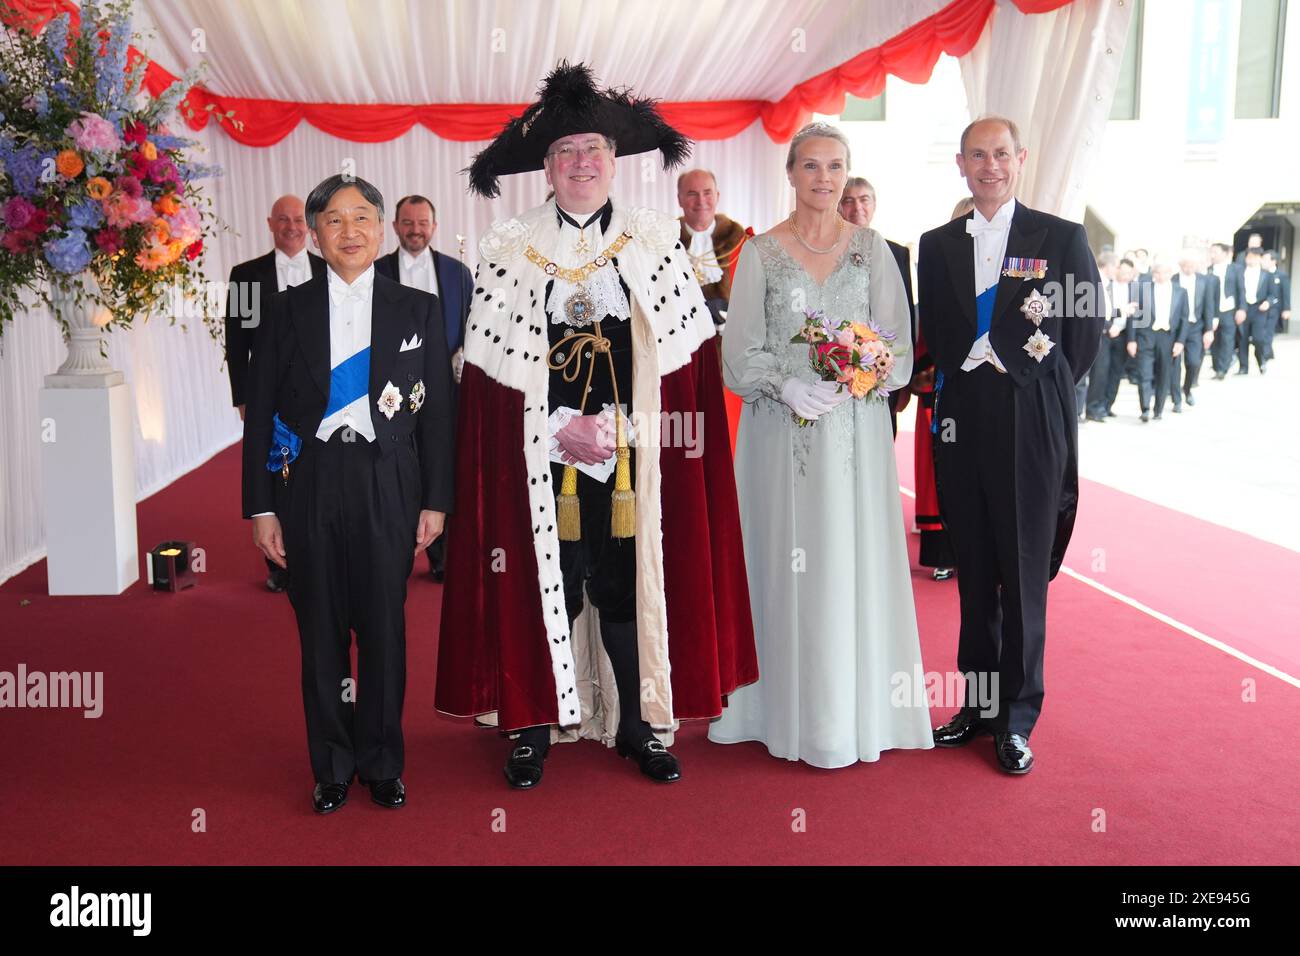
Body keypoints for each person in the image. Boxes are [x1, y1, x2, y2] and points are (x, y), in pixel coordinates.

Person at [436, 62, 757, 790]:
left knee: (621, 587)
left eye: (594, 151)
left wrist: (627, 432)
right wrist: (556, 429)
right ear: (546, 169)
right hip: (535, 454)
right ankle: (531, 727)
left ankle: (638, 724)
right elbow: (488, 379)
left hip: (633, 457)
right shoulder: (507, 248)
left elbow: (685, 372)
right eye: (567, 153)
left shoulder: (655, 242)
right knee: (535, 579)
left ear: (615, 161)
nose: (582, 163)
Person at [708, 122, 931, 767]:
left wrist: (860, 374)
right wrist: (784, 384)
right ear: (791, 173)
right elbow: (738, 353)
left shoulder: (874, 251)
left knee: (847, 559)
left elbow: (897, 344)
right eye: (811, 165)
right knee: (783, 558)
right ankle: (772, 709)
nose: (824, 178)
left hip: (855, 435)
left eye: (835, 166)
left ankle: (850, 716)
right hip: (780, 438)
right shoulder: (759, 253)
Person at [241, 174, 455, 814]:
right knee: (322, 632)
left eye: (361, 217)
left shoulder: (416, 308)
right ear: (315, 233)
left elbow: (439, 415)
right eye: (333, 220)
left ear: (381, 226)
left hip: (387, 481)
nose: (349, 231)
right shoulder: (286, 309)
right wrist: (261, 506)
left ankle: (383, 760)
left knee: (385, 628)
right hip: (308, 481)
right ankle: (332, 762)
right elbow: (262, 414)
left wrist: (436, 500)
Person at [918, 116, 1102, 774]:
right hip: (961, 418)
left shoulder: (1061, 236)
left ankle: (1017, 718)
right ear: (960, 163)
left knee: (1023, 574)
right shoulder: (935, 243)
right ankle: (979, 702)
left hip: (1030, 418)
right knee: (973, 570)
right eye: (977, 155)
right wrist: (973, 359)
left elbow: (1083, 337)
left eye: (1001, 153)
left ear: (1020, 159)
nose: (989, 165)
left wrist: (1026, 378)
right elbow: (934, 329)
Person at [224, 195, 325, 592]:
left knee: (314, 471)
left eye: (299, 219)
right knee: (275, 471)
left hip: (321, 394)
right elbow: (238, 341)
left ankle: (320, 552)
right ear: (270, 224)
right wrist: (243, 397)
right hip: (270, 395)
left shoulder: (329, 269)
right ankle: (280, 564)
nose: (292, 226)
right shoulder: (247, 276)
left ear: (310, 223)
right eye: (283, 219)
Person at [374, 194, 473, 581]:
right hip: (388, 391)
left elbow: (471, 328)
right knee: (394, 468)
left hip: (445, 386)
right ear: (396, 226)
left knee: (440, 463)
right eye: (408, 222)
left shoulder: (457, 272)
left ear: (434, 226)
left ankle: (442, 557)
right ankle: (393, 553)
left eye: (422, 223)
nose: (415, 230)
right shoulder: (375, 270)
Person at [912, 195, 972, 578]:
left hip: (990, 390)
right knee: (942, 469)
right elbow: (926, 325)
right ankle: (943, 553)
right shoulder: (939, 262)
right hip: (943, 384)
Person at [839, 176, 917, 436]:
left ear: (874, 206)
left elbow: (905, 315)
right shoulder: (829, 251)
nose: (857, 207)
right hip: (842, 365)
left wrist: (905, 381)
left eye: (864, 200)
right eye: (848, 201)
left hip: (883, 368)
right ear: (839, 207)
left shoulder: (896, 252)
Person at [676, 168, 748, 326]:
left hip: (728, 341)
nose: (701, 201)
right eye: (692, 194)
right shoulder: (665, 244)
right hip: (683, 340)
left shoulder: (741, 243)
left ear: (717, 196)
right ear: (679, 199)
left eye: (707, 192)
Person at [1127, 255, 1188, 422]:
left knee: (1164, 374)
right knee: (1144, 373)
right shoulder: (1143, 289)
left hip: (1168, 337)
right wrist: (1131, 340)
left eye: (1164, 272)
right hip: (1146, 336)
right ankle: (1145, 408)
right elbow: (1133, 316)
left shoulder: (1181, 292)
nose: (1160, 276)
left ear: (1170, 273)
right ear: (1153, 273)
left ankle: (1158, 409)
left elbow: (1184, 319)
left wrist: (1180, 342)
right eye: (1157, 272)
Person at [1170, 249, 1215, 408]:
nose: (1188, 268)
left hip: (1195, 327)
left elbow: (1208, 306)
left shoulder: (1204, 281)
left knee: (1194, 362)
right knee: (1174, 364)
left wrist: (1209, 330)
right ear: (1180, 265)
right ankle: (1176, 400)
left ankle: (1187, 389)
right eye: (1185, 265)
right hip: (1176, 328)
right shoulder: (1173, 279)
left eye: (1192, 265)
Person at [1083, 251, 1119, 423]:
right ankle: (1077, 410)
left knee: (1101, 373)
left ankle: (1093, 409)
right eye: (1116, 267)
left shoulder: (1107, 284)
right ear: (1109, 266)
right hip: (1092, 334)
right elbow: (1090, 310)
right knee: (1084, 375)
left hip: (1103, 336)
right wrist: (1108, 326)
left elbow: (1105, 309)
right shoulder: (1092, 281)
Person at [1207, 242, 1242, 378]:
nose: (1213, 255)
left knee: (1227, 339)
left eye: (1216, 252)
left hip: (1229, 309)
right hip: (1212, 310)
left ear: (1225, 253)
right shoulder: (1209, 270)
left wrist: (1242, 309)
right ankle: (1216, 367)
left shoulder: (1235, 269)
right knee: (1214, 340)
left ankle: (1223, 368)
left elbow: (1241, 290)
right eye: (1211, 252)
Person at [1237, 247, 1271, 374]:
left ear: (1260, 258)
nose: (1251, 260)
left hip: (1259, 309)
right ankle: (1243, 366)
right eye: (1249, 257)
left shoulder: (1266, 274)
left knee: (1258, 338)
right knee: (1242, 338)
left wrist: (1268, 302)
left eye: (1254, 257)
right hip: (1243, 308)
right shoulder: (1240, 272)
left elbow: (1272, 294)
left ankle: (1261, 360)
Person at [1262, 250, 1290, 358]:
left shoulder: (1281, 275)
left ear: (1273, 261)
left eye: (1265, 259)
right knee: (1263, 331)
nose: (1263, 262)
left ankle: (1265, 354)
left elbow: (1286, 293)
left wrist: (1287, 309)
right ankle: (1268, 352)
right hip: (1262, 307)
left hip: (1275, 308)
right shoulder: (1262, 274)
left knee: (1268, 331)